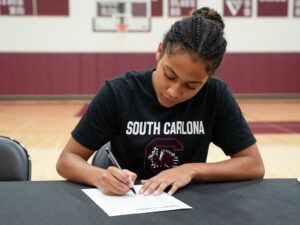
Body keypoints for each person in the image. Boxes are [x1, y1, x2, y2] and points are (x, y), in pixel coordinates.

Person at [56, 7, 265, 196]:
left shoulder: (216, 95)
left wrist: (190, 169)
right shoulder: (119, 93)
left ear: (208, 79)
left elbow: (253, 165)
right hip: (130, 202)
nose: (174, 91)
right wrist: (100, 177)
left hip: (189, 205)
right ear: (159, 51)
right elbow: (67, 160)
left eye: (191, 86)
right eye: (169, 75)